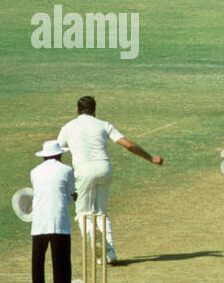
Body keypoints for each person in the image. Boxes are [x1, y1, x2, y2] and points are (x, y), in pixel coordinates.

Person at [56, 96, 163, 266]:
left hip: (83, 171)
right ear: (94, 110)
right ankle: (110, 253)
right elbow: (128, 145)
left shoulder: (68, 127)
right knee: (101, 212)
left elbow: (56, 153)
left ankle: (102, 247)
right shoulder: (103, 124)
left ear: (77, 110)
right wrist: (150, 158)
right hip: (105, 169)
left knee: (83, 215)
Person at [29, 139, 79, 283]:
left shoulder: (34, 172)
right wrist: (72, 198)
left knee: (37, 263)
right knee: (62, 262)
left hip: (39, 223)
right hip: (59, 221)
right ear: (59, 155)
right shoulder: (67, 170)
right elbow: (71, 194)